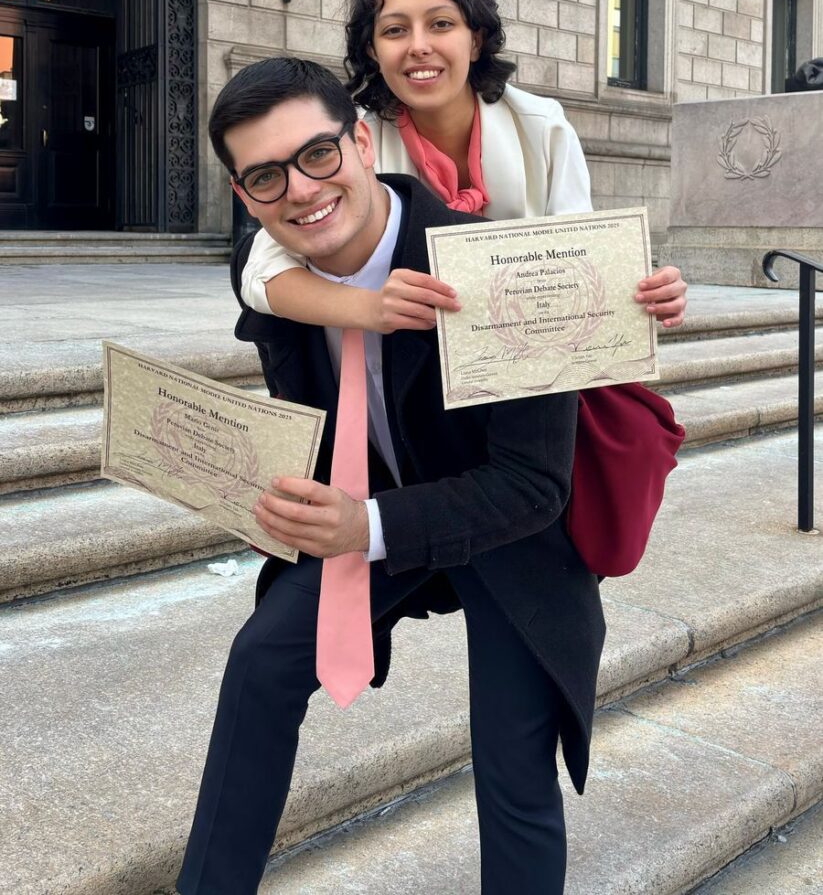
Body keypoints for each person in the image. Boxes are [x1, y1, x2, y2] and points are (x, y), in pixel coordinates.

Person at [177, 57, 606, 895]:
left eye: (317, 155)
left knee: (514, 761)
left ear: (362, 142)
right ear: (244, 195)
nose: (301, 190)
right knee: (261, 662)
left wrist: (362, 525)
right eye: (266, 176)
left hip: (508, 530)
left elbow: (532, 484)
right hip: (368, 513)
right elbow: (260, 286)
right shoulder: (270, 270)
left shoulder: (495, 265)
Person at [239, 0, 687, 334]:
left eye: (441, 24)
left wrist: (650, 291)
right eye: (395, 30)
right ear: (373, 52)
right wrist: (369, 308)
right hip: (406, 364)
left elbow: (583, 260)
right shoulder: (352, 141)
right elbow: (260, 268)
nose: (419, 46)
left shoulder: (543, 127)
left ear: (475, 40)